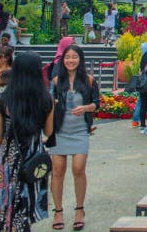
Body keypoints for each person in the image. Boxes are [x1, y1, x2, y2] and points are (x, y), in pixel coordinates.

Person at [0, 51, 54, 231]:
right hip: (33, 159)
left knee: (3, 208)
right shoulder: (46, 99)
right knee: (24, 209)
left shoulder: (3, 100)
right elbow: (49, 132)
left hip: (7, 160)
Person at [49, 44, 100, 231]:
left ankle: (79, 209)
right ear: (63, 60)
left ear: (80, 60)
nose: (71, 60)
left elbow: (97, 103)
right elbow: (47, 102)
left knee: (78, 169)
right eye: (67, 57)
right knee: (57, 170)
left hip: (79, 131)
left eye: (74, 57)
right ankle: (58, 211)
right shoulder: (55, 81)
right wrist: (53, 103)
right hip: (59, 131)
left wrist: (86, 108)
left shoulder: (88, 80)